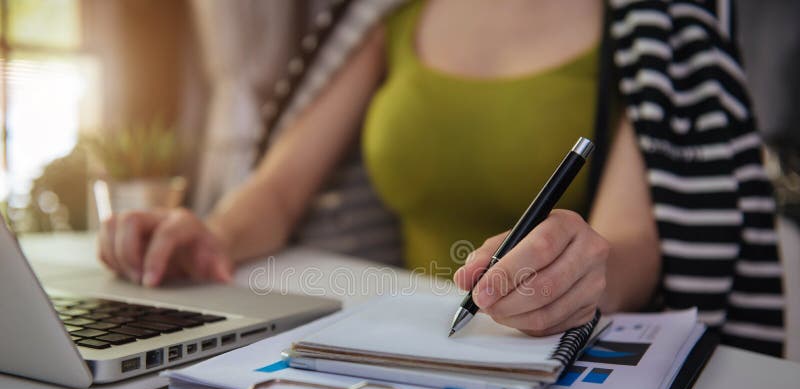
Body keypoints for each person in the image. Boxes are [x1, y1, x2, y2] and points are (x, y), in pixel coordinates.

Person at [98, 0, 785, 356]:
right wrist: (210, 232)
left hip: (552, 362)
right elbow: (279, 191)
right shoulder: (388, 14)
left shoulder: (657, 30)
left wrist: (577, 271)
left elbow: (632, 246)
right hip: (403, 351)